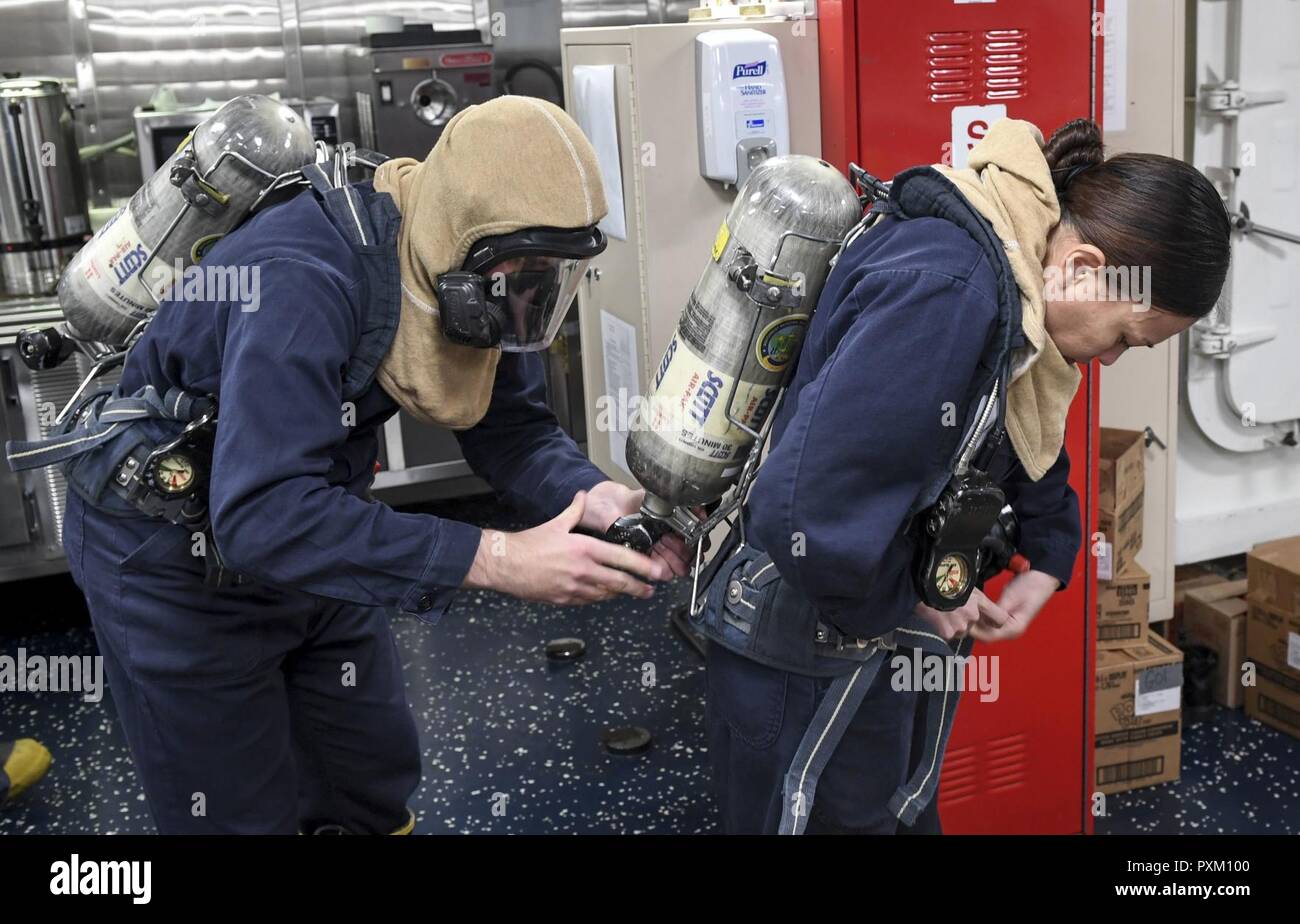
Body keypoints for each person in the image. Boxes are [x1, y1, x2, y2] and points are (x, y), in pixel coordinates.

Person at [28, 97, 688, 834]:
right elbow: (262, 516)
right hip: (169, 557)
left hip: (317, 520)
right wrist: (496, 556)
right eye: (522, 273)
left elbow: (514, 431)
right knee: (237, 812)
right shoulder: (300, 277)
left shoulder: (468, 260)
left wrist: (592, 494)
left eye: (554, 276)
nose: (530, 299)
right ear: (459, 238)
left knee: (366, 774)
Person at [697, 118, 1231, 834]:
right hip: (799, 645)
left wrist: (1049, 546)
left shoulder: (1008, 264)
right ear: (1080, 267)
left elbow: (1015, 404)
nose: (1109, 361)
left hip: (857, 635)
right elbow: (808, 519)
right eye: (1125, 339)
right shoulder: (947, 289)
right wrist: (916, 598)